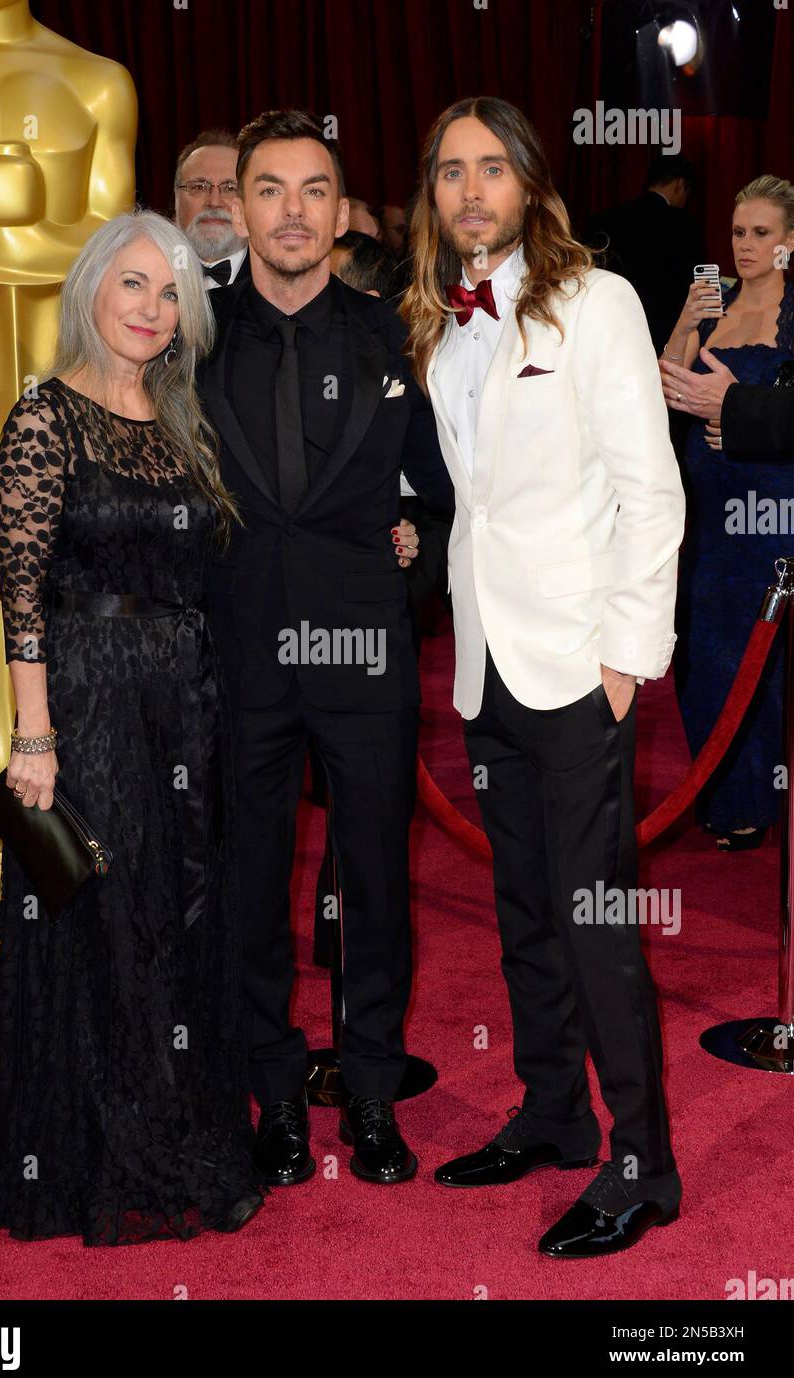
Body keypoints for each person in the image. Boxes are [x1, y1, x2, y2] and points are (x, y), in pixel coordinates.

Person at [403, 96, 686, 1257]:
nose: (469, 191)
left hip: (578, 663)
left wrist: (626, 656)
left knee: (593, 918)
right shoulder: (444, 320)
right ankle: (557, 1115)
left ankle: (643, 1161)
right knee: (524, 912)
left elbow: (649, 488)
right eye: (448, 172)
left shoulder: (597, 301)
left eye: (490, 169)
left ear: (528, 181)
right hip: (485, 665)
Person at [0, 209, 268, 1244]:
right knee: (107, 923)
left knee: (180, 919)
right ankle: (98, 1155)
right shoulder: (45, 416)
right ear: (92, 289)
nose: (151, 308)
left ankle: (177, 1129)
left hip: (186, 699)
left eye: (170, 290)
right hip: (90, 700)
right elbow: (21, 590)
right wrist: (34, 737)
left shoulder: (184, 415)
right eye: (133, 284)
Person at [199, 109, 453, 1188]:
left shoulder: (395, 332)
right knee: (248, 884)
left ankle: (374, 1093)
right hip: (236, 653)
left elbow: (443, 498)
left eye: (314, 190)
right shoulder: (188, 334)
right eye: (270, 189)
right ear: (239, 205)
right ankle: (274, 1097)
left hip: (362, 651)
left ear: (342, 209)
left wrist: (413, 559)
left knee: (377, 883)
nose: (292, 211)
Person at [660, 176, 794, 850]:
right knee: (707, 653)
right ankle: (722, 794)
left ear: (788, 244)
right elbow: (659, 389)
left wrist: (739, 415)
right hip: (706, 510)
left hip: (773, 507)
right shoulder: (711, 310)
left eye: (761, 234)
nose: (745, 245)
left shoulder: (793, 315)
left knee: (763, 659)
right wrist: (685, 320)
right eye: (738, 232)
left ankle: (763, 793)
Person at [583, 152, 704, 356]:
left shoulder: (605, 219)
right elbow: (690, 283)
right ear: (680, 185)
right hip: (664, 334)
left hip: (608, 329)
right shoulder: (683, 224)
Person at [660, 341, 794, 459]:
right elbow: (662, 396)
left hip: (770, 467)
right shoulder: (702, 320)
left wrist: (735, 402)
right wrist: (682, 327)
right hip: (702, 467)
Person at [173, 129, 251, 291]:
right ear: (176, 199)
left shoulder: (276, 279)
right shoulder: (149, 269)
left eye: (230, 188)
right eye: (199, 187)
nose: (214, 202)